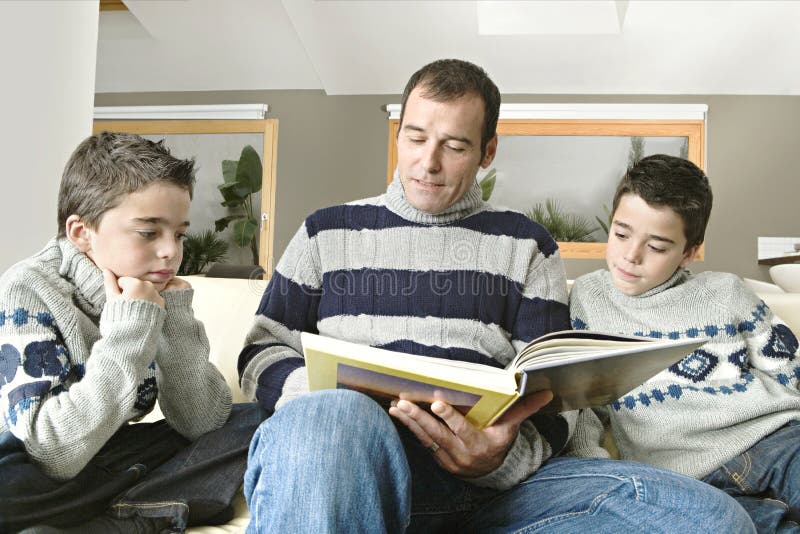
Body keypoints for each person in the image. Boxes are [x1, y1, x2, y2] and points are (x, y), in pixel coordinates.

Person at [239, 59, 754, 532]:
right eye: (415, 137)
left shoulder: (528, 246)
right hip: (346, 465)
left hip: (487, 494)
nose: (428, 162)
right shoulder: (325, 232)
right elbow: (261, 351)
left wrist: (497, 457)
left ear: (488, 151)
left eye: (454, 146)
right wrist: (330, 400)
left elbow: (557, 395)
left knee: (710, 518)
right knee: (333, 418)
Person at [0, 132, 265, 533]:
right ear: (81, 232)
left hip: (106, 463)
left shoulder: (151, 291)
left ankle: (123, 519)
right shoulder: (29, 288)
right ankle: (144, 512)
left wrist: (174, 319)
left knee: (256, 421)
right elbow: (54, 453)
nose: (171, 251)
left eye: (179, 234)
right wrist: (129, 328)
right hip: (30, 467)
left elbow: (203, 424)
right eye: (148, 232)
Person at [568, 154, 800, 532]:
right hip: (688, 479)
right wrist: (599, 474)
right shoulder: (588, 299)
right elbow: (582, 405)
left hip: (775, 440)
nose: (631, 255)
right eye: (621, 234)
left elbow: (790, 368)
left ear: (689, 253)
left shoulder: (725, 292)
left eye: (657, 247)